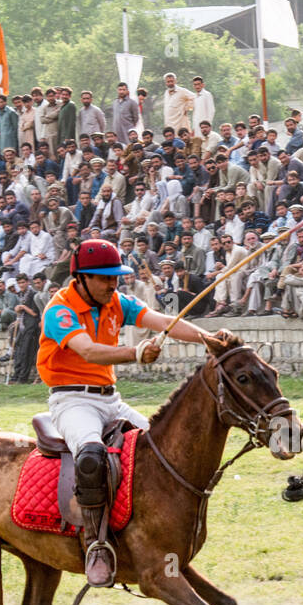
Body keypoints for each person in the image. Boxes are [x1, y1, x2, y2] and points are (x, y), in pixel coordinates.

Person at [37, 239, 213, 585]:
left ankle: (150, 528)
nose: (112, 284)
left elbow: (164, 321)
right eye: (104, 278)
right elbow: (88, 351)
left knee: (159, 452)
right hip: (72, 401)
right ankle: (96, 544)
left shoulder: (117, 301)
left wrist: (210, 338)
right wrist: (135, 354)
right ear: (82, 278)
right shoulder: (60, 311)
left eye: (115, 277)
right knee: (91, 456)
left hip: (109, 400)